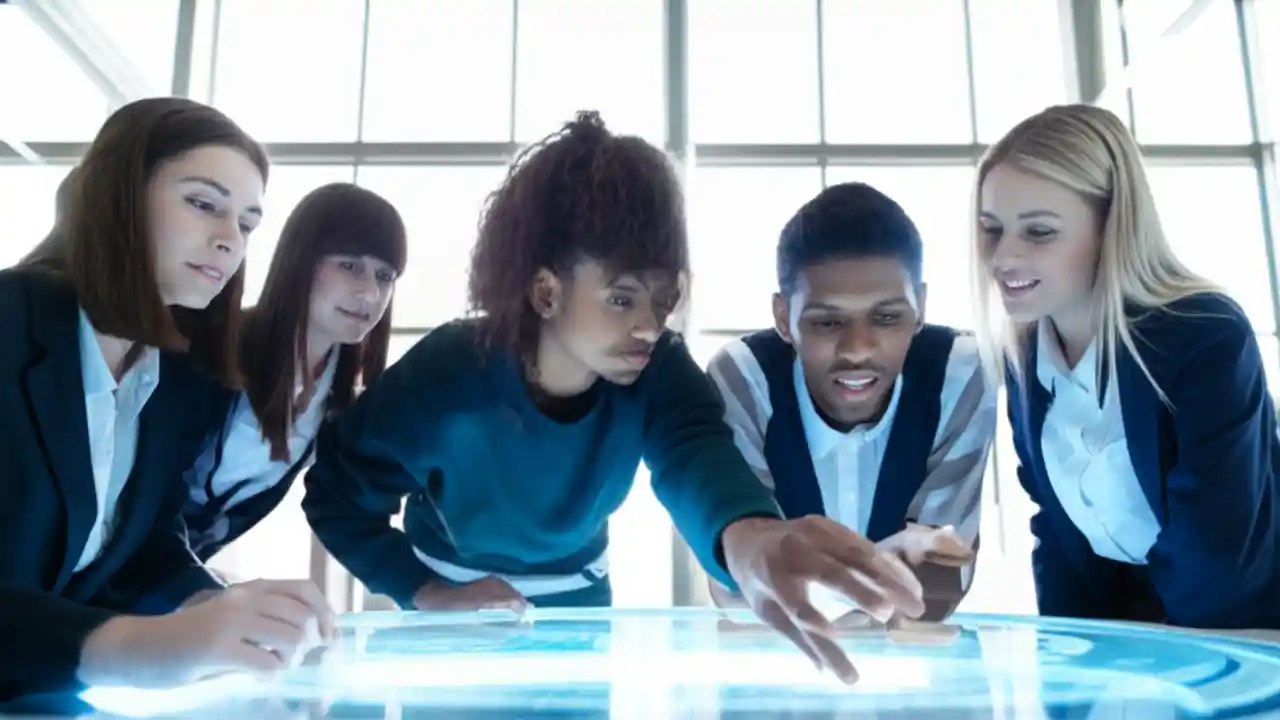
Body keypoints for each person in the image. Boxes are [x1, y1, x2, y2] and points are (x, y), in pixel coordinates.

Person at [304, 111, 925, 683]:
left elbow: (696, 456)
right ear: (546, 292)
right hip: (450, 610)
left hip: (582, 605)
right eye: (623, 299)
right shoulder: (448, 373)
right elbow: (337, 494)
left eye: (664, 300)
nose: (650, 326)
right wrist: (422, 589)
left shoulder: (659, 370)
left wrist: (755, 539)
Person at [0, 97, 332, 702]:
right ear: (115, 196)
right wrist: (129, 648)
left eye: (248, 224)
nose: (230, 241)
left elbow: (144, 542)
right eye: (204, 204)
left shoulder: (173, 377)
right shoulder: (9, 323)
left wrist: (214, 603)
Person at [974, 103, 1280, 629]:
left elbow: (1217, 551)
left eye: (1039, 232)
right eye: (992, 229)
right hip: (1134, 642)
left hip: (1242, 634)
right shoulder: (1025, 356)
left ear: (1111, 226)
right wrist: (1074, 667)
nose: (1003, 256)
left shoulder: (1205, 332)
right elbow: (1058, 531)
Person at [707, 182, 996, 621]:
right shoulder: (745, 379)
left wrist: (812, 582)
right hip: (772, 662)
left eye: (886, 318)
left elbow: (940, 588)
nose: (858, 349)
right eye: (827, 321)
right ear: (784, 318)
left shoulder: (959, 373)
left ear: (920, 306)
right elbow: (739, 589)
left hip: (907, 669)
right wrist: (891, 562)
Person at [181, 183, 406, 564]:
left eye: (385, 276)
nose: (369, 293)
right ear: (302, 261)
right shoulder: (214, 347)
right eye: (350, 265)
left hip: (176, 574)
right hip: (102, 565)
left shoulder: (339, 404)